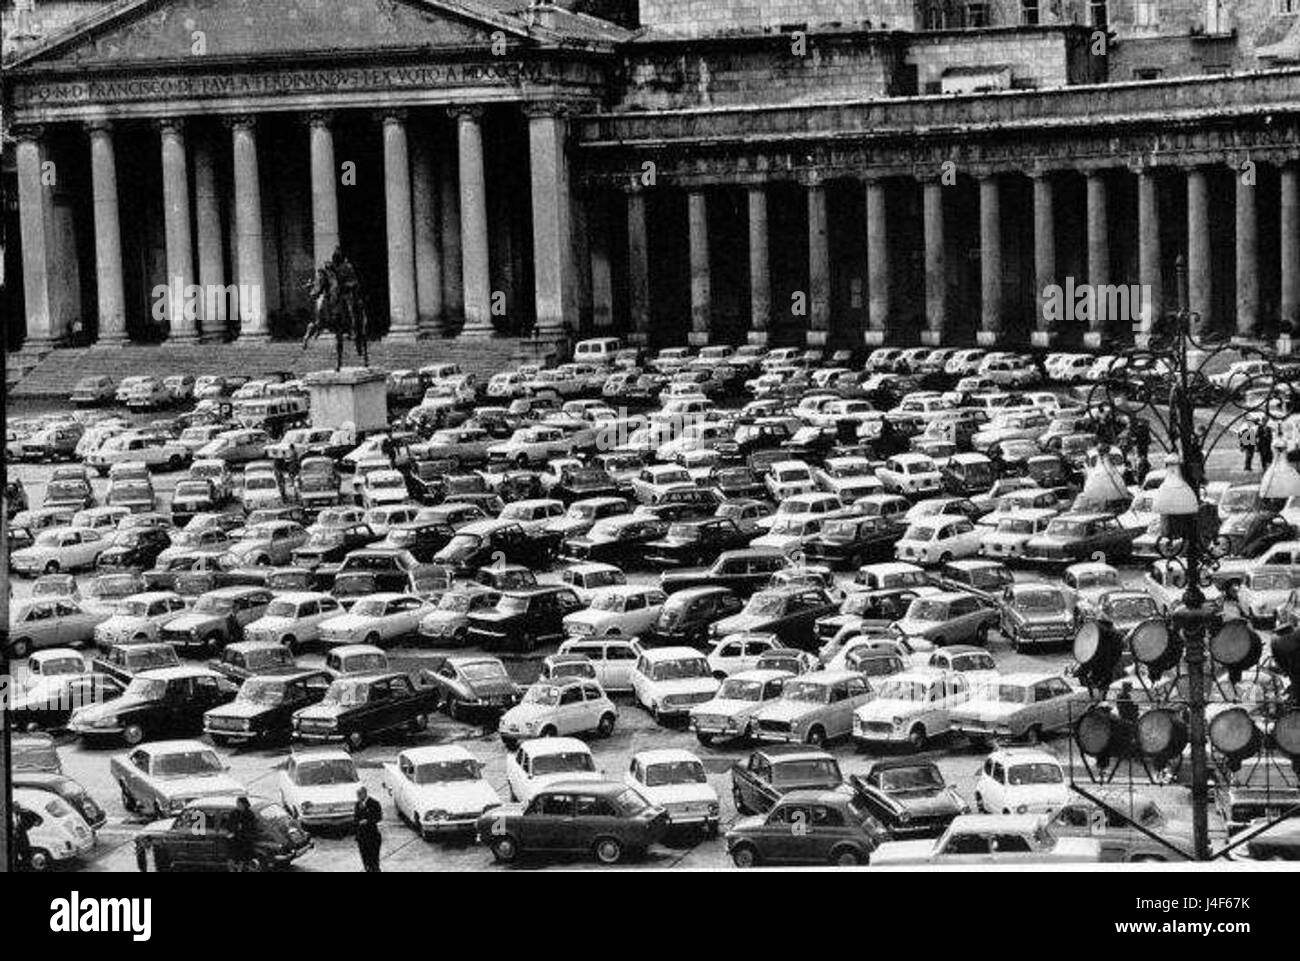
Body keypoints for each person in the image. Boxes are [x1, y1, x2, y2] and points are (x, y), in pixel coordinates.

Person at [354, 786, 383, 873]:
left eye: (360, 795)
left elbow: (379, 817)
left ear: (365, 794)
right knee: (365, 859)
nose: (358, 797)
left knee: (374, 860)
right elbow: (355, 818)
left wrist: (368, 821)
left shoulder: (374, 803)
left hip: (372, 836)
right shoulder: (357, 804)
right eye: (357, 795)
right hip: (361, 837)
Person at [228, 796, 258, 871]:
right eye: (237, 803)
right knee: (231, 859)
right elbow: (229, 825)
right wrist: (234, 830)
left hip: (245, 841)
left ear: (243, 804)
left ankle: (239, 870)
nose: (237, 805)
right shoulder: (234, 813)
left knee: (242, 859)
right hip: (234, 841)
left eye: (239, 803)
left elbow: (252, 827)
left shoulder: (250, 814)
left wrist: (242, 828)